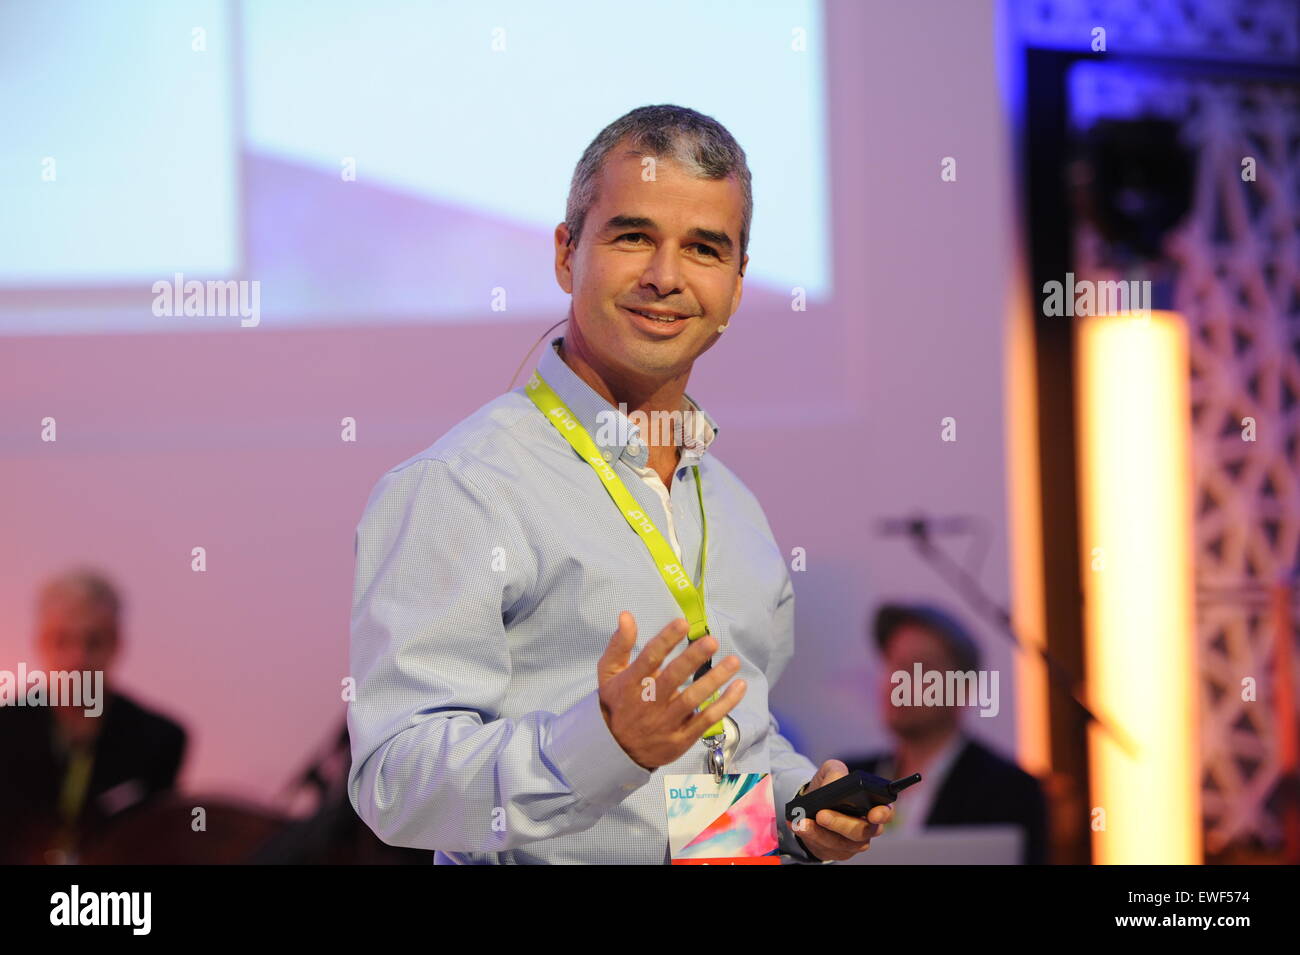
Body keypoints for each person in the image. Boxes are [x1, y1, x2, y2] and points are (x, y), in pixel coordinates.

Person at [347, 104, 890, 864]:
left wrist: (801, 811)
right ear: (568, 254)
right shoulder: (464, 487)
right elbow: (395, 783)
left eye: (704, 248)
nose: (665, 277)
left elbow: (721, 766)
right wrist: (599, 746)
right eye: (634, 236)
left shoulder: (732, 509)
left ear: (736, 286)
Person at [0, 569, 187, 864]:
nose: (78, 659)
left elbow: (156, 847)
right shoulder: (6, 730)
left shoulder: (160, 740)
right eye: (62, 641)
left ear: (116, 644)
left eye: (93, 641)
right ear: (41, 643)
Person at [842, 602, 1048, 864]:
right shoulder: (849, 777)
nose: (897, 681)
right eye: (893, 663)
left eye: (919, 668)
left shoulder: (1008, 791)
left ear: (962, 689)